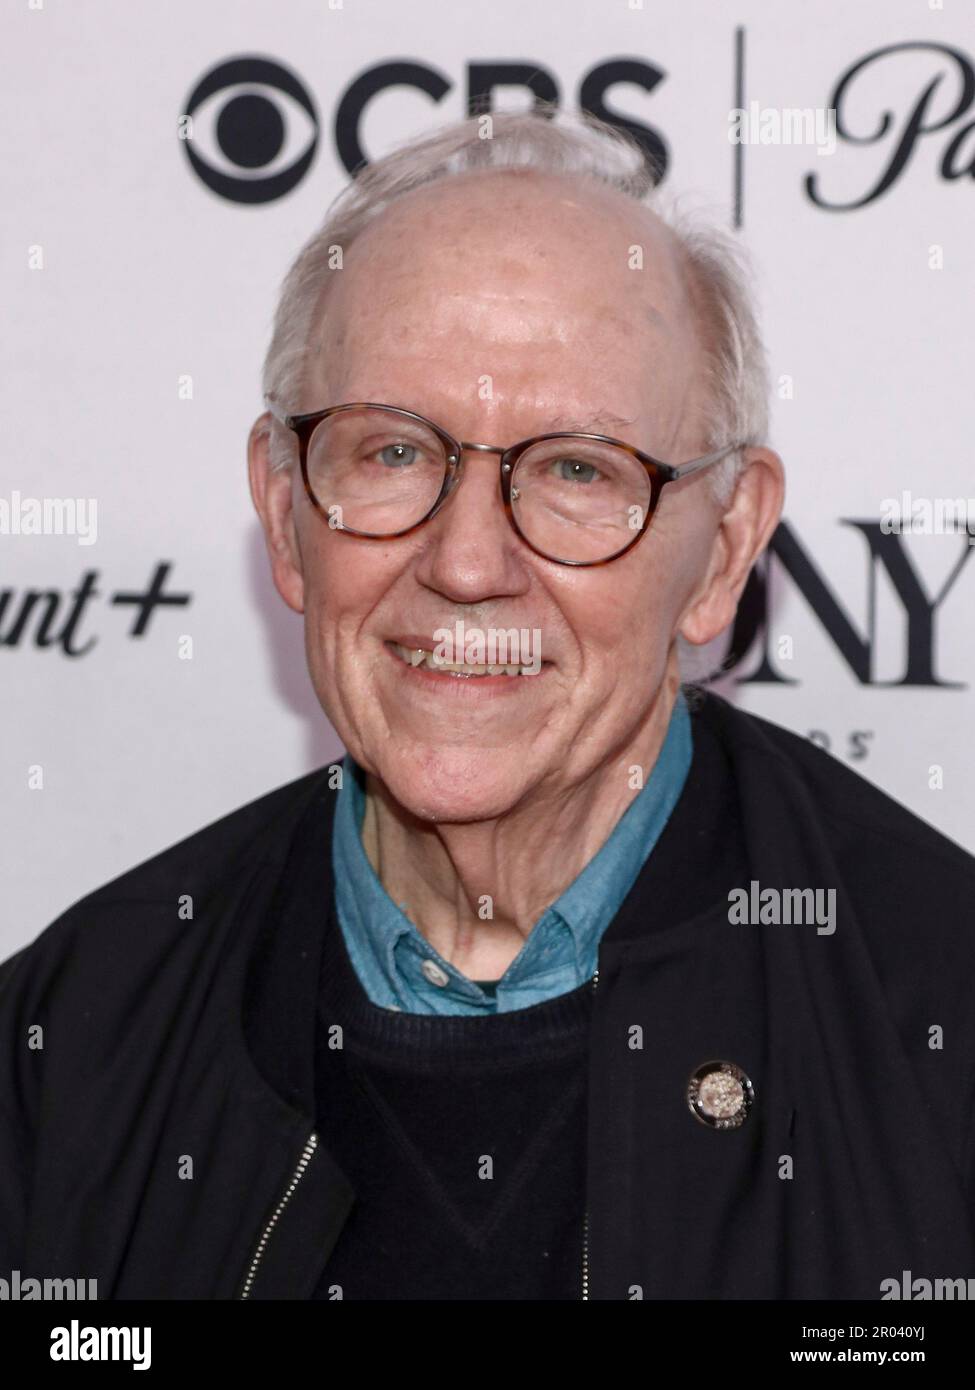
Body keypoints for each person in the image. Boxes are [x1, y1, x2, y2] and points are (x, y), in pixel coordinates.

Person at [2, 108, 974, 1301]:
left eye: (576, 469)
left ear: (723, 550)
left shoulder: (940, 1017)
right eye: (393, 451)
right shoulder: (72, 1041)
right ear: (284, 510)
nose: (466, 563)